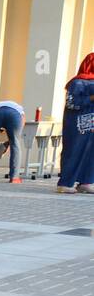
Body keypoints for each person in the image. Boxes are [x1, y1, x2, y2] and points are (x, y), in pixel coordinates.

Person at [57, 52, 94, 193]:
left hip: (91, 125)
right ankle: (65, 183)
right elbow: (71, 103)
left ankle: (86, 181)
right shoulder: (77, 82)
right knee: (74, 151)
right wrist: (91, 98)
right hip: (77, 126)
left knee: (91, 154)